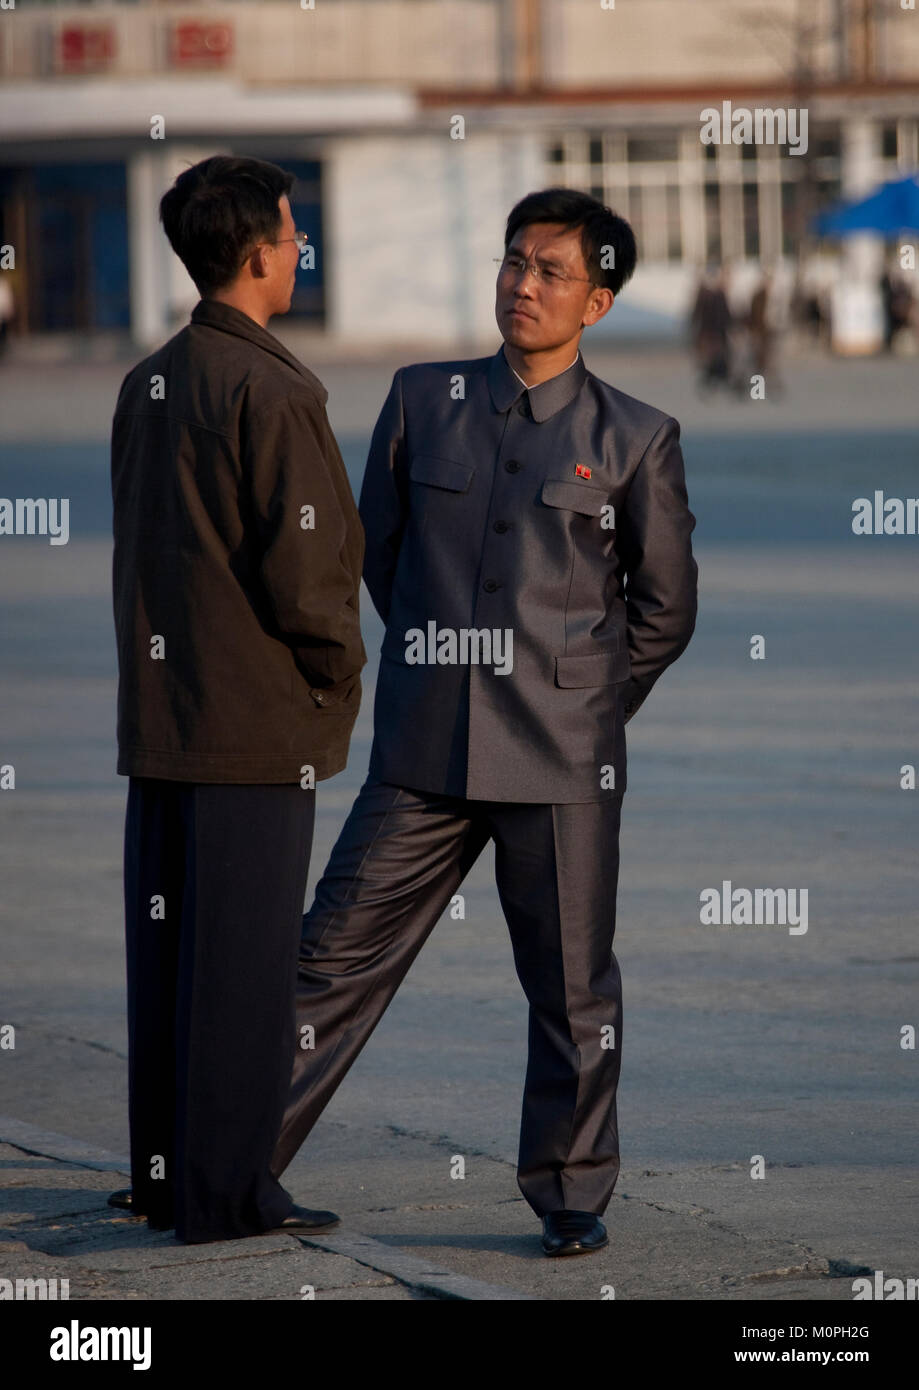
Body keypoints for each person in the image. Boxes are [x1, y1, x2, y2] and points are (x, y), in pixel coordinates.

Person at [269, 188, 698, 1257]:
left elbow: (665, 607)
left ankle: (570, 1194)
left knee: (571, 985)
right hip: (423, 752)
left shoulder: (637, 437)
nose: (523, 283)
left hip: (561, 766)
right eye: (515, 260)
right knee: (328, 956)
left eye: (553, 270)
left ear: (596, 301)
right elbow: (380, 554)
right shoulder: (425, 398)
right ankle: (236, 1155)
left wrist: (583, 702)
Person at [107, 155, 366, 1243]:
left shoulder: (151, 379)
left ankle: (169, 1178)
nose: (300, 247)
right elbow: (308, 580)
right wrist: (338, 676)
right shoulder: (273, 387)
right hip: (252, 725)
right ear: (259, 253)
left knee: (169, 963)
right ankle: (227, 1195)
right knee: (245, 972)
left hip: (164, 719)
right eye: (294, 231)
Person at [689, 264, 733, 392]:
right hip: (710, 333)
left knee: (721, 358)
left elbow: (726, 314)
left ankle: (717, 381)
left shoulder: (719, 294)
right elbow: (698, 314)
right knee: (712, 359)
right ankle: (710, 382)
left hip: (719, 332)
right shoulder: (706, 294)